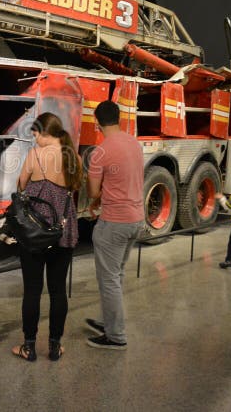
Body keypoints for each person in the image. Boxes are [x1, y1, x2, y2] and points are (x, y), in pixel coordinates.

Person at [10, 112, 82, 362]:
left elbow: (20, 185)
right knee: (58, 290)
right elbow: (75, 188)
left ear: (42, 133)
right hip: (62, 231)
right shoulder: (73, 156)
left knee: (32, 289)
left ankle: (29, 346)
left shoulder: (36, 155)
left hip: (35, 233)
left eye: (35, 135)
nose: (34, 140)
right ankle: (54, 346)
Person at [85, 100, 145, 351]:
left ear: (97, 122)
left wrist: (94, 200)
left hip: (114, 223)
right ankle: (110, 322)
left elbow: (93, 192)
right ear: (119, 119)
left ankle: (116, 336)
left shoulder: (101, 151)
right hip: (136, 219)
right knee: (116, 276)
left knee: (109, 280)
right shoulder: (134, 143)